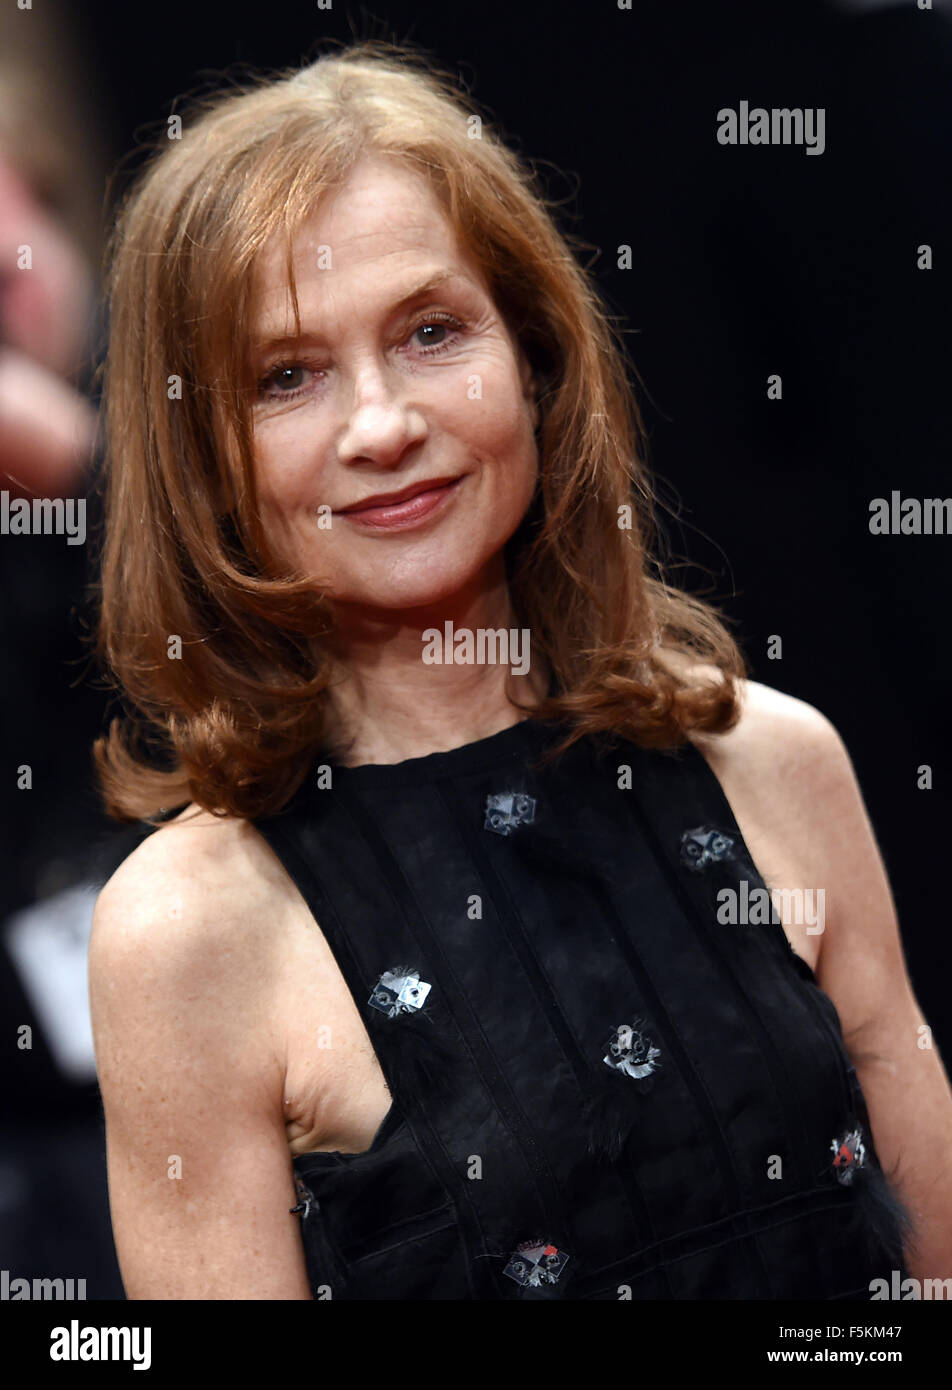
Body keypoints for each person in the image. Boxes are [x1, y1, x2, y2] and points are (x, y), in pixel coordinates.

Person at [88, 39, 952, 1300]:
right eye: (289, 377)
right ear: (204, 462)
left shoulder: (777, 762)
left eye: (432, 331)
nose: (382, 424)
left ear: (535, 363)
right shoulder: (185, 935)